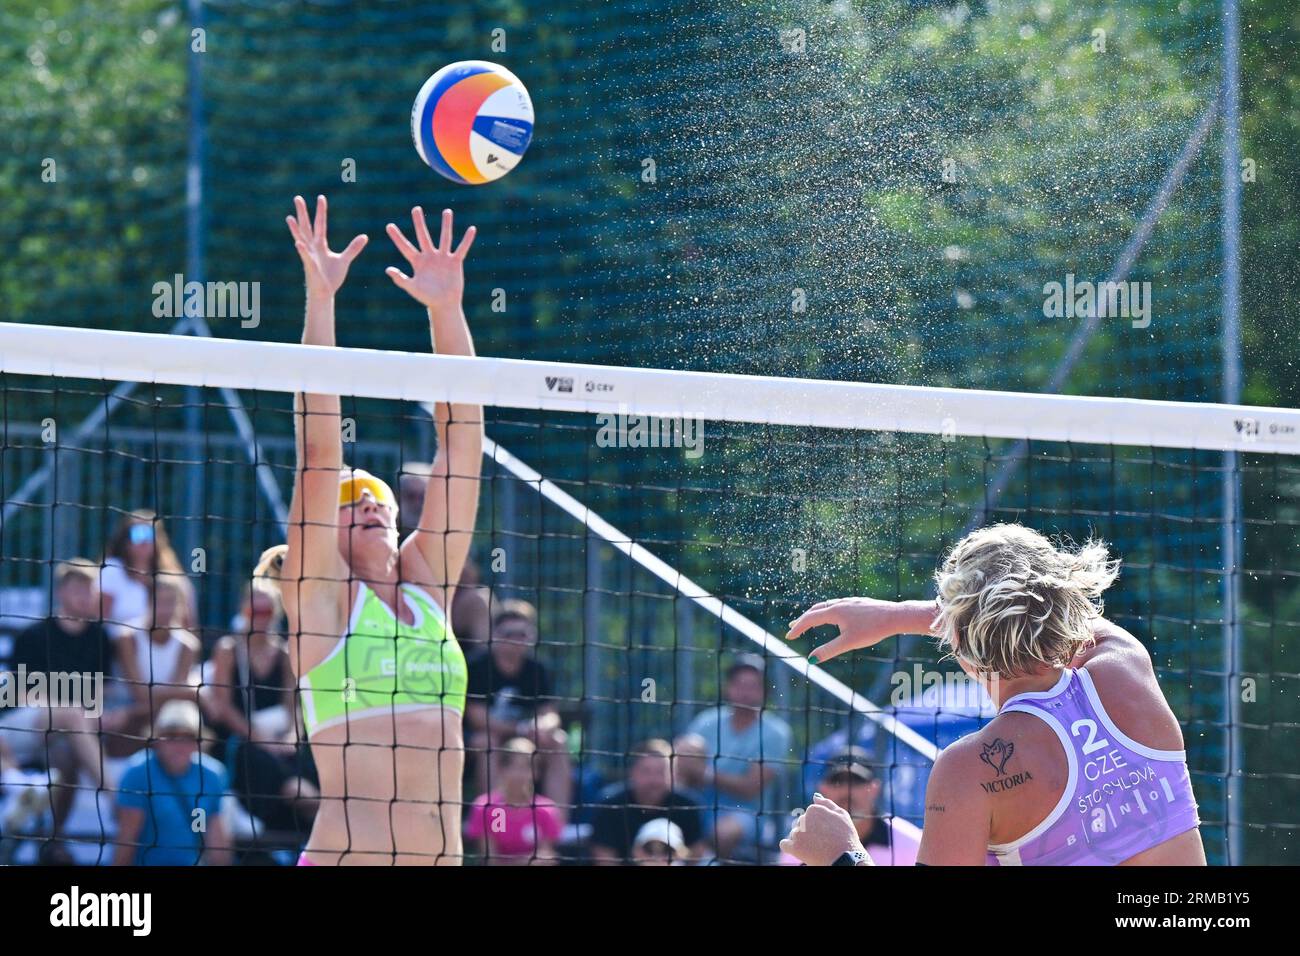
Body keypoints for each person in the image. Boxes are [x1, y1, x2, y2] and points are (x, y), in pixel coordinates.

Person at [782, 523, 1206, 866]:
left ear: (960, 644)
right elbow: (1049, 616)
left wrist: (843, 855)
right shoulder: (1124, 663)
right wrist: (901, 616)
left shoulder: (968, 770)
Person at [271, 195, 481, 865]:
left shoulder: (427, 586)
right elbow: (319, 454)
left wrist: (445, 310)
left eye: (378, 496)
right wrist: (321, 298)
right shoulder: (322, 603)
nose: (367, 502)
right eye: (349, 500)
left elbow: (463, 445)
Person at [0, 559, 115, 852]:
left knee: (68, 760)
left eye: (89, 589)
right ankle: (118, 800)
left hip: (69, 735)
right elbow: (17, 695)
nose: (84, 595)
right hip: (19, 728)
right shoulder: (34, 636)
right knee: (73, 716)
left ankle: (53, 839)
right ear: (61, 592)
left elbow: (101, 697)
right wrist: (67, 709)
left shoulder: (100, 638)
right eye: (77, 588)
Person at [201, 571, 317, 835]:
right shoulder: (228, 650)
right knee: (263, 763)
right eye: (255, 610)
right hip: (242, 743)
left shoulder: (286, 653)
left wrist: (291, 737)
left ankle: (307, 805)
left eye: (266, 611)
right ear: (244, 610)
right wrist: (261, 739)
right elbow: (223, 707)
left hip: (279, 742)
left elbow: (293, 707)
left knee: (304, 758)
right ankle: (307, 802)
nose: (260, 617)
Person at [685, 653, 794, 862]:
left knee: (723, 833)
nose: (745, 692)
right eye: (739, 684)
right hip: (695, 804)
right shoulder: (708, 720)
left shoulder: (776, 732)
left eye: (753, 686)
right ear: (729, 687)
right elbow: (682, 760)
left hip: (747, 814)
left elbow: (750, 788)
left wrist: (704, 774)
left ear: (764, 691)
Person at [465, 601, 571, 812]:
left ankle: (557, 824)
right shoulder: (476, 666)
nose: (515, 641)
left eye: (522, 634)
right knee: (488, 742)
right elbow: (477, 719)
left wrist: (542, 726)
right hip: (480, 738)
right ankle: (496, 821)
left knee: (557, 740)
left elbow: (550, 713)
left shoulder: (537, 669)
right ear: (495, 634)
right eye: (508, 634)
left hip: (525, 738)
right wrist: (520, 729)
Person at [113, 699, 231, 866]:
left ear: (198, 743)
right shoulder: (138, 773)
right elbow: (127, 839)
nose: (179, 745)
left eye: (188, 737)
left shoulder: (212, 775)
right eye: (172, 736)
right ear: (158, 740)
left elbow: (213, 836)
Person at [108, 573, 201, 756]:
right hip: (122, 713)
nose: (166, 609)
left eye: (172, 602)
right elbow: (140, 693)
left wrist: (185, 693)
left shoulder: (188, 646)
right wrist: (191, 692)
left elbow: (172, 697)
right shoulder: (127, 638)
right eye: (161, 602)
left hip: (157, 716)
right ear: (149, 603)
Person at [778, 748, 920, 866]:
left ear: (875, 788)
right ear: (822, 788)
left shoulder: (911, 843)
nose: (847, 790)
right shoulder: (801, 841)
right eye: (838, 781)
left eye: (857, 781)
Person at [588, 739, 706, 864]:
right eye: (646, 771)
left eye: (660, 772)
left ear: (673, 774)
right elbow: (605, 860)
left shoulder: (689, 805)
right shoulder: (611, 805)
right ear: (632, 773)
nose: (653, 780)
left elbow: (696, 856)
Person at [462, 737, 563, 865]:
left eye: (526, 768)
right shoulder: (488, 808)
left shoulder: (546, 810)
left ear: (536, 772)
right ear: (501, 769)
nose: (520, 774)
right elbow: (491, 861)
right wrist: (524, 862)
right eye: (513, 766)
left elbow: (546, 858)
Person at [99, 510, 198, 634]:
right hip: (116, 648)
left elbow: (187, 626)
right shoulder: (112, 570)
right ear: (126, 540)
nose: (144, 541)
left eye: (149, 534)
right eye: (137, 534)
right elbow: (100, 619)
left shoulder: (175, 579)